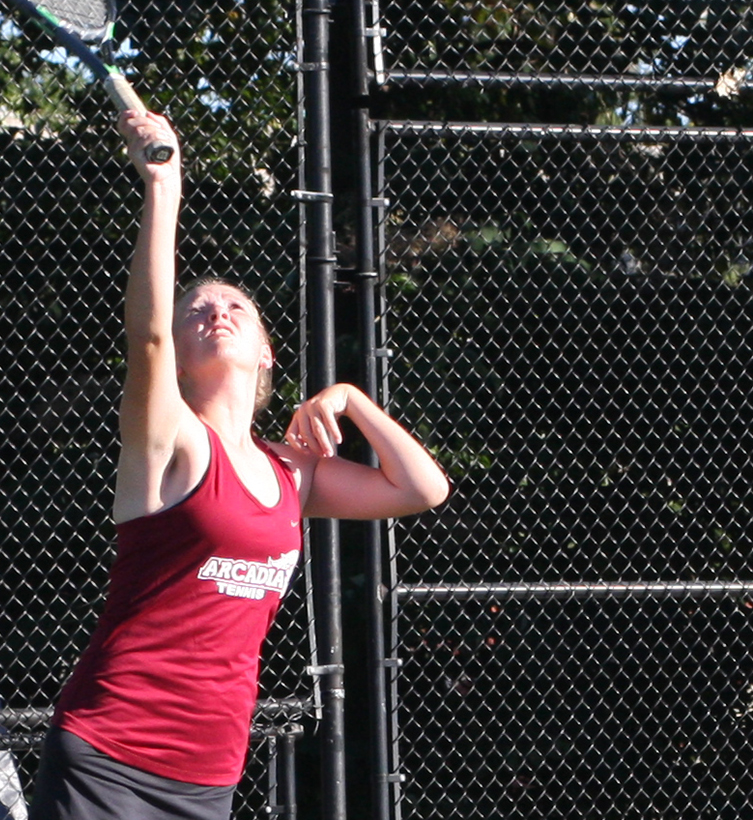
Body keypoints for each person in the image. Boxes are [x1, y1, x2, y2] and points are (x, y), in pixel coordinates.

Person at [29, 109, 452, 820]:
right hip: (108, 756)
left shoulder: (296, 473)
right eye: (199, 307)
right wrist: (164, 187)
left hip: (207, 775)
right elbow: (150, 339)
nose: (215, 311)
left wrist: (349, 396)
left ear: (266, 352)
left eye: (235, 307)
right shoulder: (170, 440)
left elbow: (423, 488)